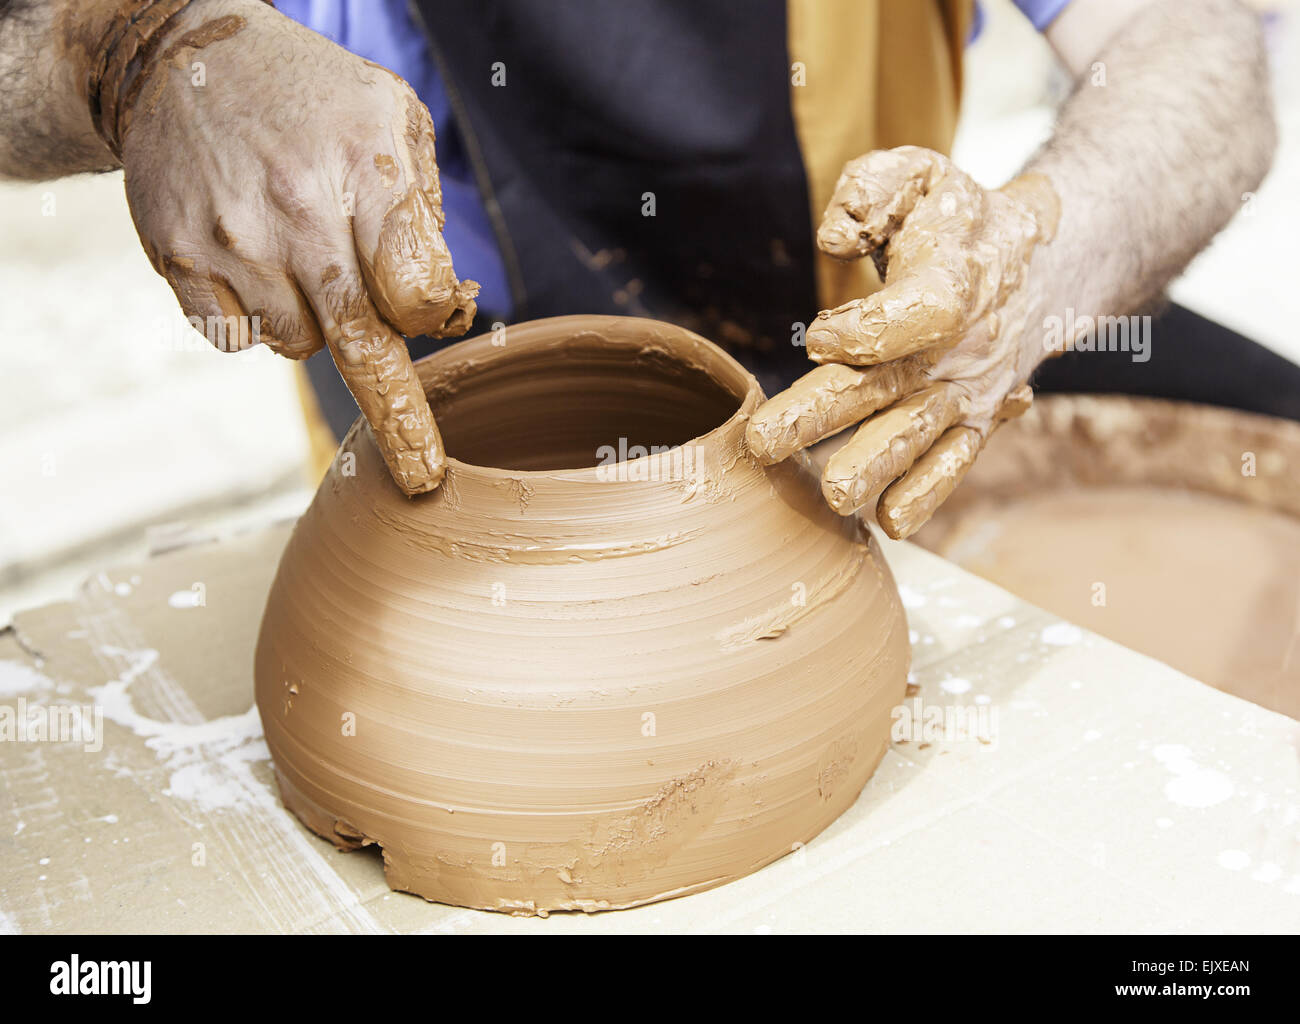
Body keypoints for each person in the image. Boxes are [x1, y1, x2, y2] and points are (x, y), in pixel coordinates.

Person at [0, 0, 1281, 538]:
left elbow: (1196, 53)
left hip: (878, 345)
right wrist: (147, 48)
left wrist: (1029, 269)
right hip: (467, 385)